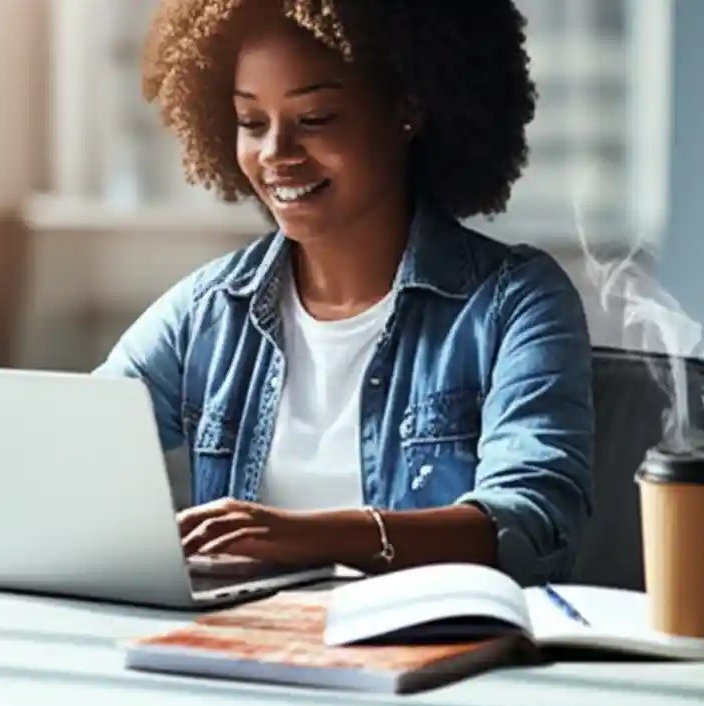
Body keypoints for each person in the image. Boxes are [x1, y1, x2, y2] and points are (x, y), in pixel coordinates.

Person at [95, 0, 593, 586]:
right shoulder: (208, 313)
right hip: (243, 656)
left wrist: (307, 538)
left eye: (315, 118)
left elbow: (533, 526)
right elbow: (66, 447)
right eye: (251, 123)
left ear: (407, 108)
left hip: (433, 662)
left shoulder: (515, 304)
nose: (276, 152)